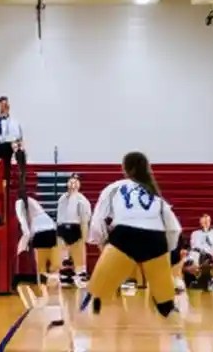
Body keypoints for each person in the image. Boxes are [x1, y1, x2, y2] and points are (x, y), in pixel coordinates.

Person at [79, 151, 187, 352]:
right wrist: (167, 255)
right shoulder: (155, 194)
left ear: (125, 169)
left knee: (94, 298)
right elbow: (174, 229)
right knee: (166, 306)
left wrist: (104, 245)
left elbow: (97, 222)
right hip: (156, 239)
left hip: (125, 236)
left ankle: (80, 346)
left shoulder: (115, 187)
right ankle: (180, 347)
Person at [16, 193, 65, 324]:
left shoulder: (18, 204)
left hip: (40, 232)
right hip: (52, 229)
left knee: (42, 270)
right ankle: (57, 308)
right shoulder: (33, 202)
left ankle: (45, 302)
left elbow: (25, 229)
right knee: (54, 270)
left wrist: (21, 247)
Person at [56, 174, 92, 285]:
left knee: (78, 253)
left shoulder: (82, 200)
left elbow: (84, 220)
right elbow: (59, 215)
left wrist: (84, 236)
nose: (72, 185)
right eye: (70, 182)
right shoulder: (62, 198)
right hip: (62, 228)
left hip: (76, 228)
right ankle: (66, 275)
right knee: (63, 254)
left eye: (75, 182)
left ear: (79, 185)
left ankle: (81, 275)